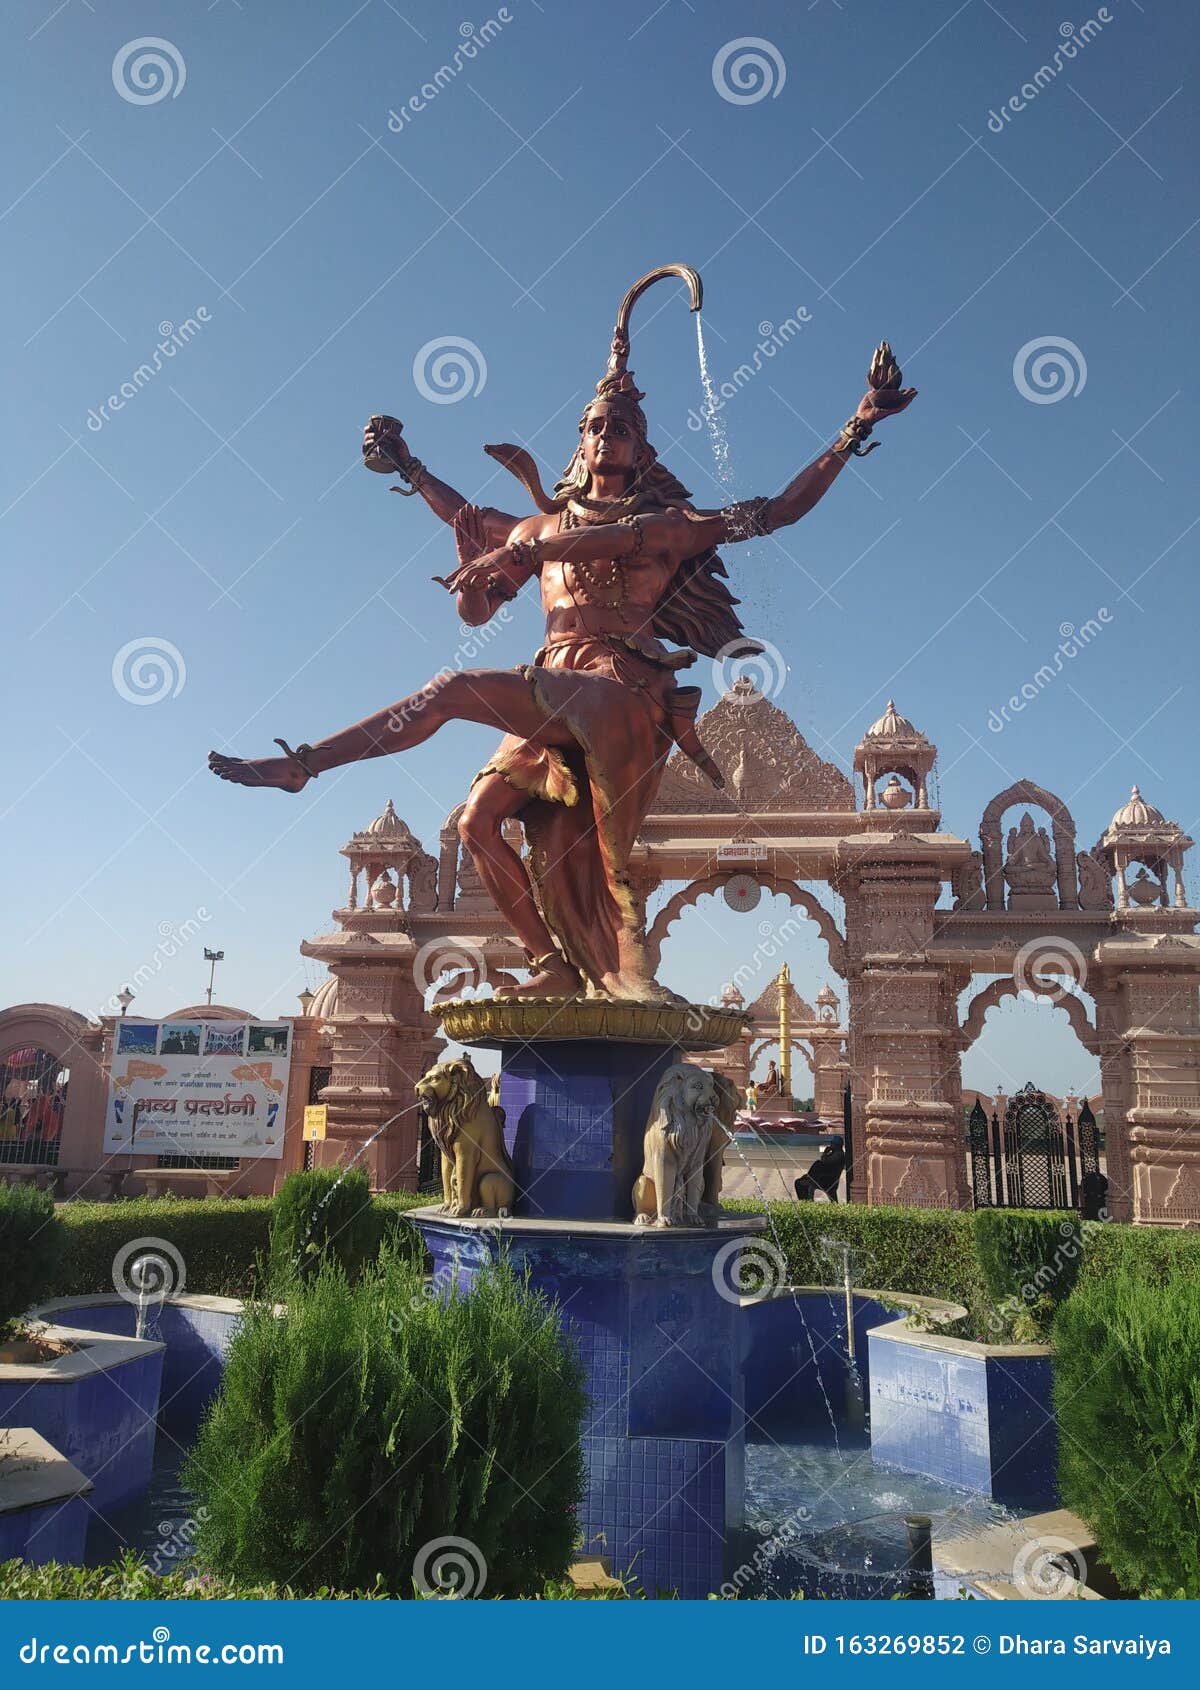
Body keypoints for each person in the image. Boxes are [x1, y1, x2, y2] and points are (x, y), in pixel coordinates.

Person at [209, 305, 915, 1002]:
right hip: (554, 683)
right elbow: (466, 530)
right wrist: (409, 466)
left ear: (641, 449)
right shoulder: (536, 527)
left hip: (623, 689)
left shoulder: (669, 527)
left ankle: (304, 764)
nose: (606, 436)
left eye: (622, 430)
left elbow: (779, 510)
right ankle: (550, 961)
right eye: (595, 427)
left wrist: (858, 425)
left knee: (453, 689)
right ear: (580, 443)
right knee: (478, 822)